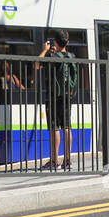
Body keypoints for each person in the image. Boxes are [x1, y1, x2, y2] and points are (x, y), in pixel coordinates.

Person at [37, 30, 76, 170]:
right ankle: (67, 160)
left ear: (55, 42)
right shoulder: (72, 56)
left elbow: (37, 64)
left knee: (55, 128)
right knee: (67, 127)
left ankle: (54, 161)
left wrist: (44, 50)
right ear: (67, 42)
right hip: (68, 95)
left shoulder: (52, 57)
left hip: (53, 96)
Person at [0, 59, 21, 166]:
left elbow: (21, 87)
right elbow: (22, 88)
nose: (5, 68)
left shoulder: (10, 77)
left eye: (6, 66)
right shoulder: (8, 77)